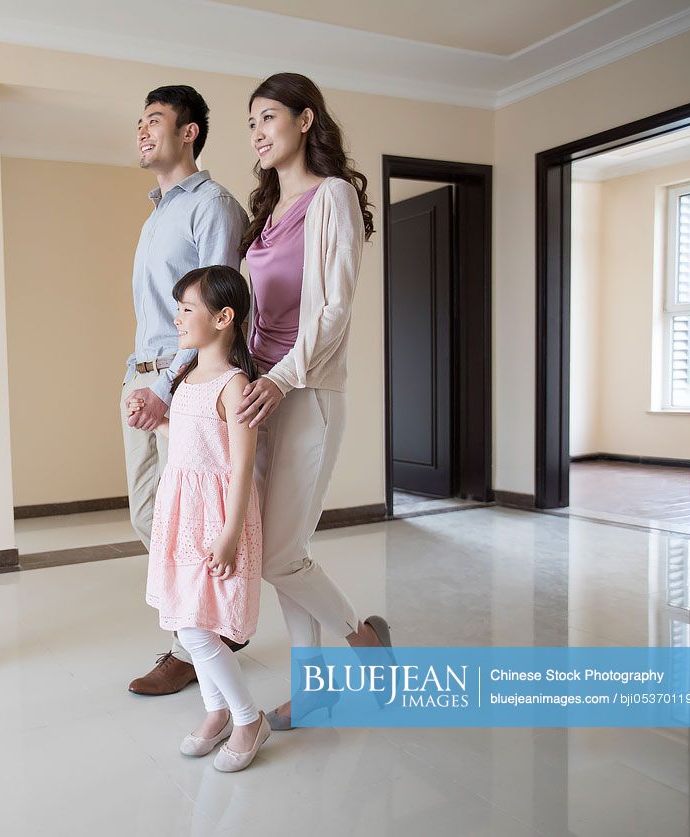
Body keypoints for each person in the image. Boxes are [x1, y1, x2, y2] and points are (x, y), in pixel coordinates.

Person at [235, 73, 391, 729]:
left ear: (304, 120)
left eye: (267, 117)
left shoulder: (330, 198)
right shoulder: (265, 214)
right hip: (260, 396)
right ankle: (315, 689)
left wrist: (280, 377)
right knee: (278, 551)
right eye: (250, 123)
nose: (257, 133)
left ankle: (362, 640)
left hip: (306, 395)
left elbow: (332, 312)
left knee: (278, 553)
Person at [123, 85, 249, 697]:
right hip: (143, 374)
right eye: (139, 123)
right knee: (148, 516)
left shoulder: (213, 207)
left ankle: (193, 643)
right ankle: (210, 628)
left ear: (190, 131)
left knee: (188, 519)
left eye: (154, 121)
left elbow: (218, 307)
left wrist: (171, 389)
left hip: (185, 384)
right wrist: (142, 379)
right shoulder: (157, 213)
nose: (142, 131)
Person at [145, 265, 269, 772]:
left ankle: (247, 718)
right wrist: (158, 416)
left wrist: (230, 533)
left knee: (198, 627)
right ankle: (215, 711)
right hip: (183, 512)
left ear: (223, 317)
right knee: (183, 615)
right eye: (177, 307)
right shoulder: (190, 376)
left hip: (217, 519)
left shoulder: (236, 385)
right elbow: (194, 437)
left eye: (187, 308)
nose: (177, 317)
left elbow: (242, 464)